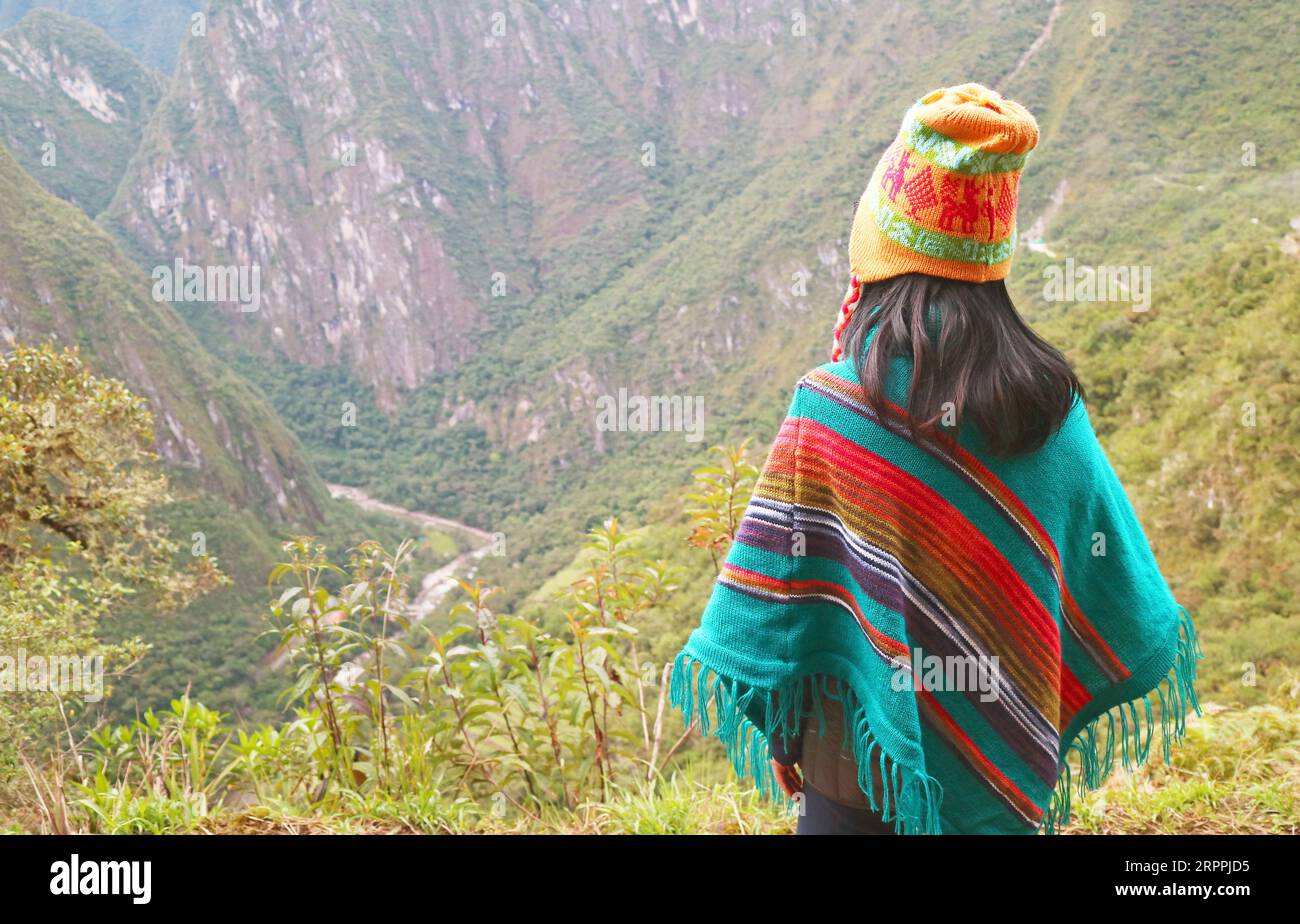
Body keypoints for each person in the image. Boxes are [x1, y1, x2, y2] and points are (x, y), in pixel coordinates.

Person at [669, 83, 1203, 835]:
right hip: (996, 787)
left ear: (883, 247)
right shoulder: (1049, 406)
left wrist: (787, 734)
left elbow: (784, 602)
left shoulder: (831, 408)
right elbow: (1114, 584)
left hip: (852, 773)